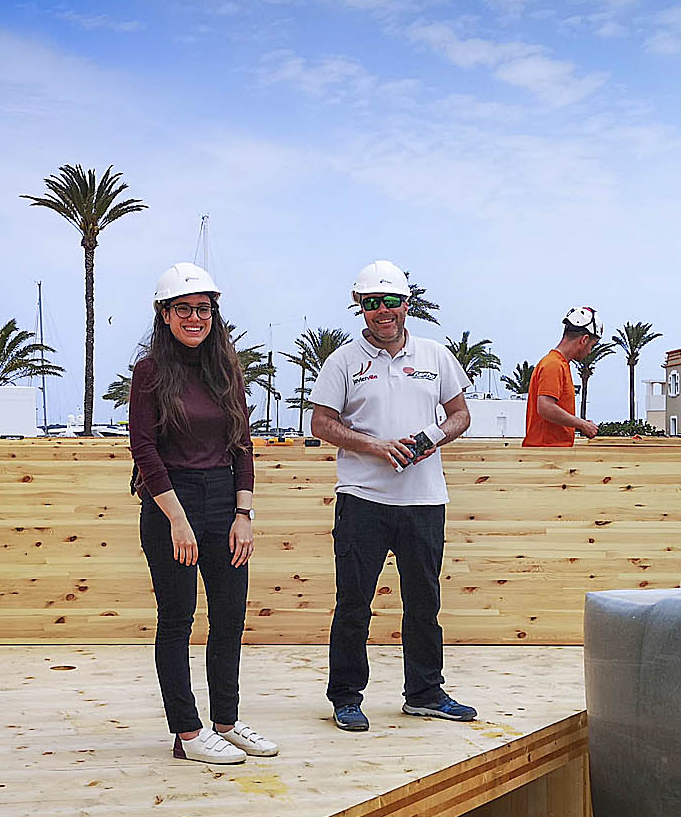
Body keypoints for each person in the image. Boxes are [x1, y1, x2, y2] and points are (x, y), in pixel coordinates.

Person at [309, 260, 477, 732]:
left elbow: (460, 415)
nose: (382, 311)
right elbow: (321, 423)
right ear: (360, 308)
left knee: (424, 601)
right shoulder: (342, 361)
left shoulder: (436, 355)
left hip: (424, 499)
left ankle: (424, 693)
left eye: (391, 302)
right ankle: (345, 697)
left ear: (407, 304)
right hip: (362, 498)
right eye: (371, 303)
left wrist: (433, 439)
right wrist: (373, 446)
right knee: (354, 602)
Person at [130, 262, 278, 765]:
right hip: (170, 499)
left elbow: (241, 443)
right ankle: (188, 733)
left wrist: (244, 513)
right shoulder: (150, 371)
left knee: (230, 617)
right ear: (165, 314)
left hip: (223, 501)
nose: (195, 318)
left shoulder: (225, 369)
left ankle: (226, 722)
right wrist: (176, 518)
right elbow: (144, 450)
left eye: (203, 309)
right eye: (184, 309)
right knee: (177, 619)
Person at [523, 306, 602, 447]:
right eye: (592, 345)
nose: (590, 351)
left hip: (551, 454)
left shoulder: (559, 364)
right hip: (546, 454)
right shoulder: (553, 365)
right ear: (584, 339)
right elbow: (545, 407)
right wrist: (582, 424)